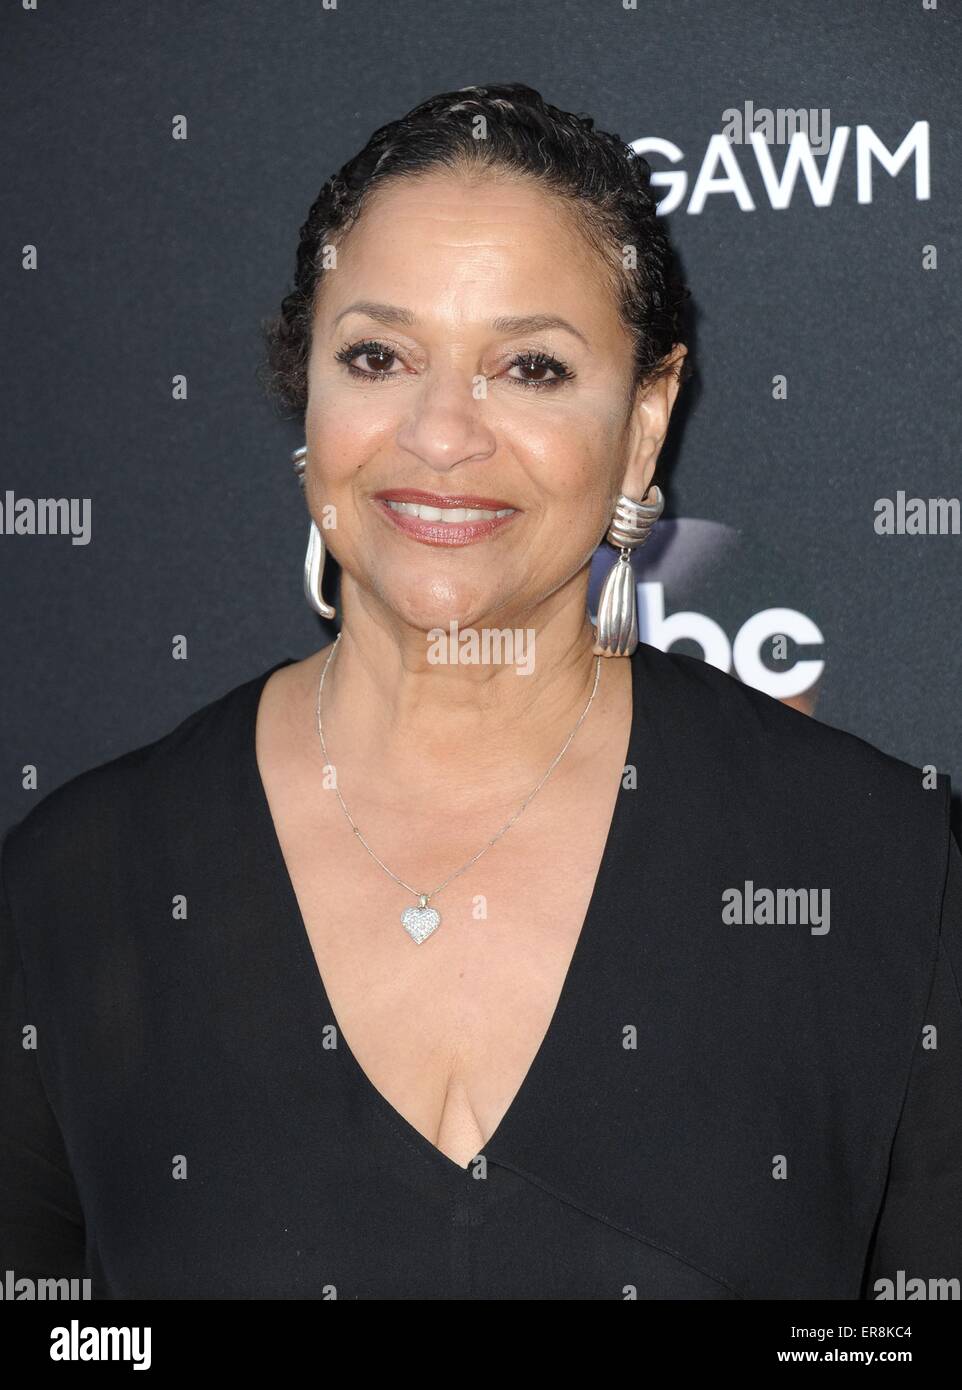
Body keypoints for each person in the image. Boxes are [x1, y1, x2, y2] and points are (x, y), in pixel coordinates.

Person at [1, 83, 960, 1301]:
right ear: (309, 387)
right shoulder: (75, 886)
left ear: (644, 418)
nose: (442, 432)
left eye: (531, 367)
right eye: (377, 356)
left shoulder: (881, 865)